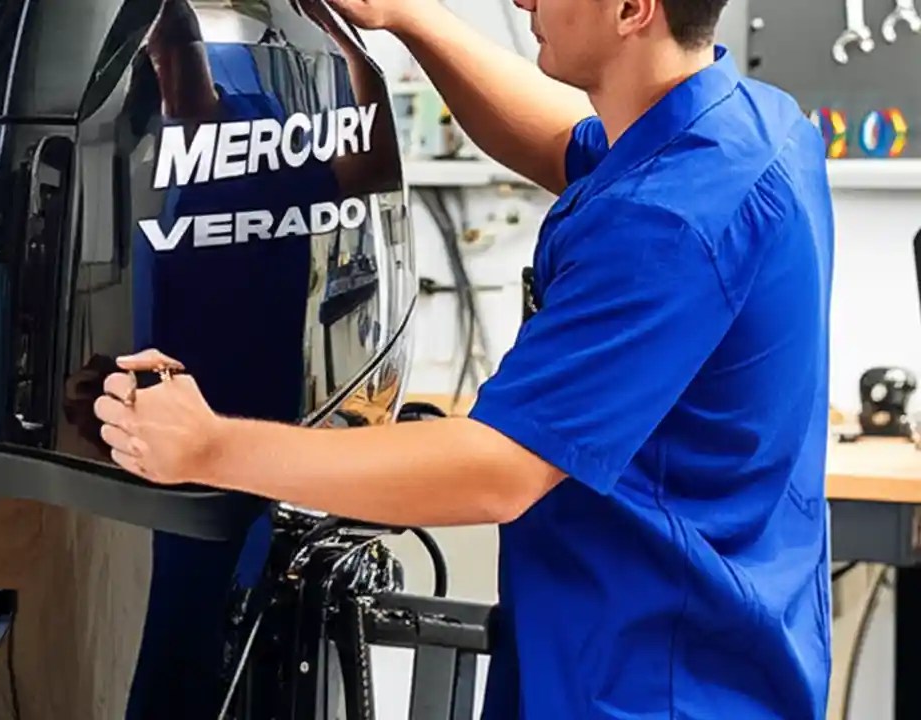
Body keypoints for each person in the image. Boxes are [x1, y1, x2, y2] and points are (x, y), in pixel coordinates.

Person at [94, 0, 836, 717]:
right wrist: (413, 17)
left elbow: (499, 470)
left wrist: (209, 446)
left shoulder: (668, 221)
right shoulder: (752, 126)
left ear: (632, 9)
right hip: (707, 642)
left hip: (647, 680)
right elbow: (557, 142)